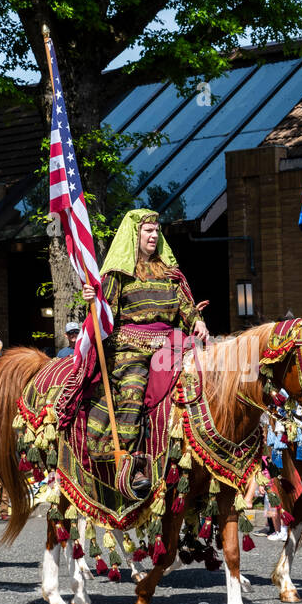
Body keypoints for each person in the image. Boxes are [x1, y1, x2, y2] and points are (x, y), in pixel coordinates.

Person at [80, 210, 208, 496]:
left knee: (205, 375)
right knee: (133, 390)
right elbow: (105, 314)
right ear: (134, 236)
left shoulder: (171, 273)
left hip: (171, 342)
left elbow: (186, 307)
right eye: (147, 231)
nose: (153, 236)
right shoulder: (119, 274)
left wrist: (197, 321)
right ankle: (132, 462)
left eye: (156, 230)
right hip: (129, 347)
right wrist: (94, 299)